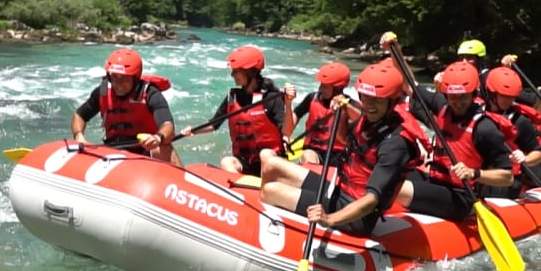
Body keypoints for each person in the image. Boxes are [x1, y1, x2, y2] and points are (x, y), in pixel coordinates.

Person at [259, 62, 427, 236]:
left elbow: (371, 200)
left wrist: (328, 219)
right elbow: (343, 139)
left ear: (392, 101)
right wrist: (342, 115)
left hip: (356, 214)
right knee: (272, 164)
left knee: (271, 190)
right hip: (340, 190)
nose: (369, 104)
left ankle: (271, 231)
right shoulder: (372, 120)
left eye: (377, 99)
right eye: (365, 97)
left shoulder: (396, 145)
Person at [394, 62, 541, 220]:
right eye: (453, 97)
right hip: (435, 180)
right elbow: (408, 83)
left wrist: (474, 173)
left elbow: (507, 177)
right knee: (387, 176)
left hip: (462, 195)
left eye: (463, 97)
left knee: (396, 189)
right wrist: (393, 48)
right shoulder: (443, 107)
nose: (457, 103)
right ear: (446, 95)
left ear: (473, 94)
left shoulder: (484, 128)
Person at [180, 45, 285, 175]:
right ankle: (241, 191)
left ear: (250, 72)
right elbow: (214, 124)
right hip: (245, 160)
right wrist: (193, 131)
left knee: (265, 154)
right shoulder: (232, 97)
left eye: (236, 71)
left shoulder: (271, 98)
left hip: (271, 161)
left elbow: (286, 130)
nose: (232, 74)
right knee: (227, 162)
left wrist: (289, 102)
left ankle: (266, 190)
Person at [71, 48, 181, 166]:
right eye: (115, 77)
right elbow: (79, 116)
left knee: (162, 148)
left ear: (135, 78)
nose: (118, 83)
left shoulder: (151, 94)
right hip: (114, 149)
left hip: (146, 150)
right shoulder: (102, 92)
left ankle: (181, 180)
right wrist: (79, 136)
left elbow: (168, 125)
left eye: (124, 78)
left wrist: (158, 137)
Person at [479, 66, 541, 197]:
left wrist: (525, 158)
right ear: (491, 93)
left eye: (511, 97)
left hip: (506, 182)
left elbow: (539, 152)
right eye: (504, 96)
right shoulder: (477, 112)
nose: (508, 101)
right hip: (479, 174)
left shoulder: (520, 121)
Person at [281, 61, 360, 166]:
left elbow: (363, 120)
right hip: (314, 151)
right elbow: (288, 129)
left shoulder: (351, 105)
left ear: (338, 88)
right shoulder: (312, 98)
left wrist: (346, 108)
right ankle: (310, 174)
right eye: (321, 84)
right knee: (308, 155)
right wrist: (285, 137)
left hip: (339, 154)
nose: (321, 89)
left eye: (326, 86)